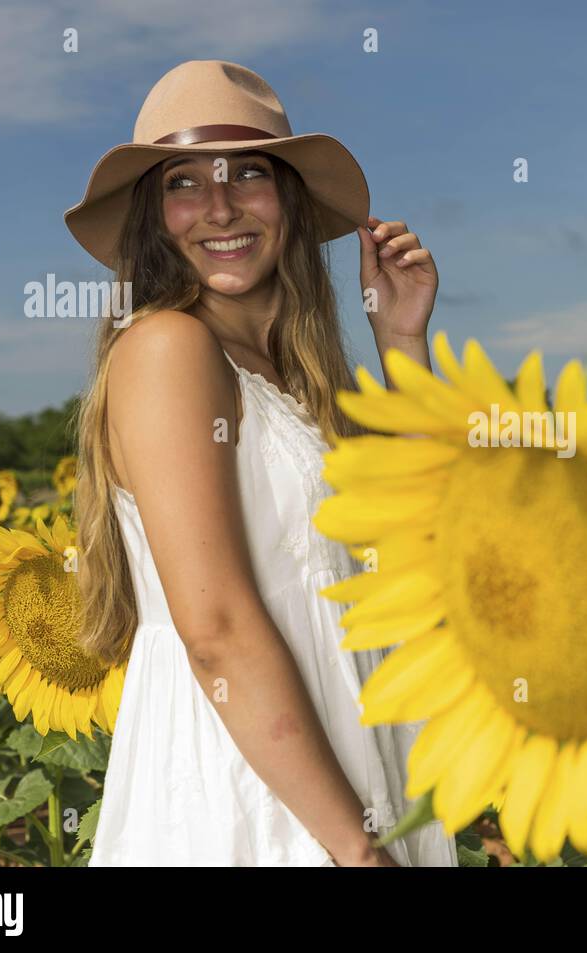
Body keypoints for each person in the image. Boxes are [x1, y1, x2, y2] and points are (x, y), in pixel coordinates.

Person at [63, 59, 455, 866]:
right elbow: (215, 631)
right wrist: (355, 847)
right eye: (183, 183)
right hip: (248, 797)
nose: (219, 207)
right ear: (153, 215)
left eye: (248, 173)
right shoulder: (169, 349)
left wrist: (403, 343)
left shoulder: (305, 383)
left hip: (353, 767)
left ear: (289, 202)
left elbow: (421, 553)